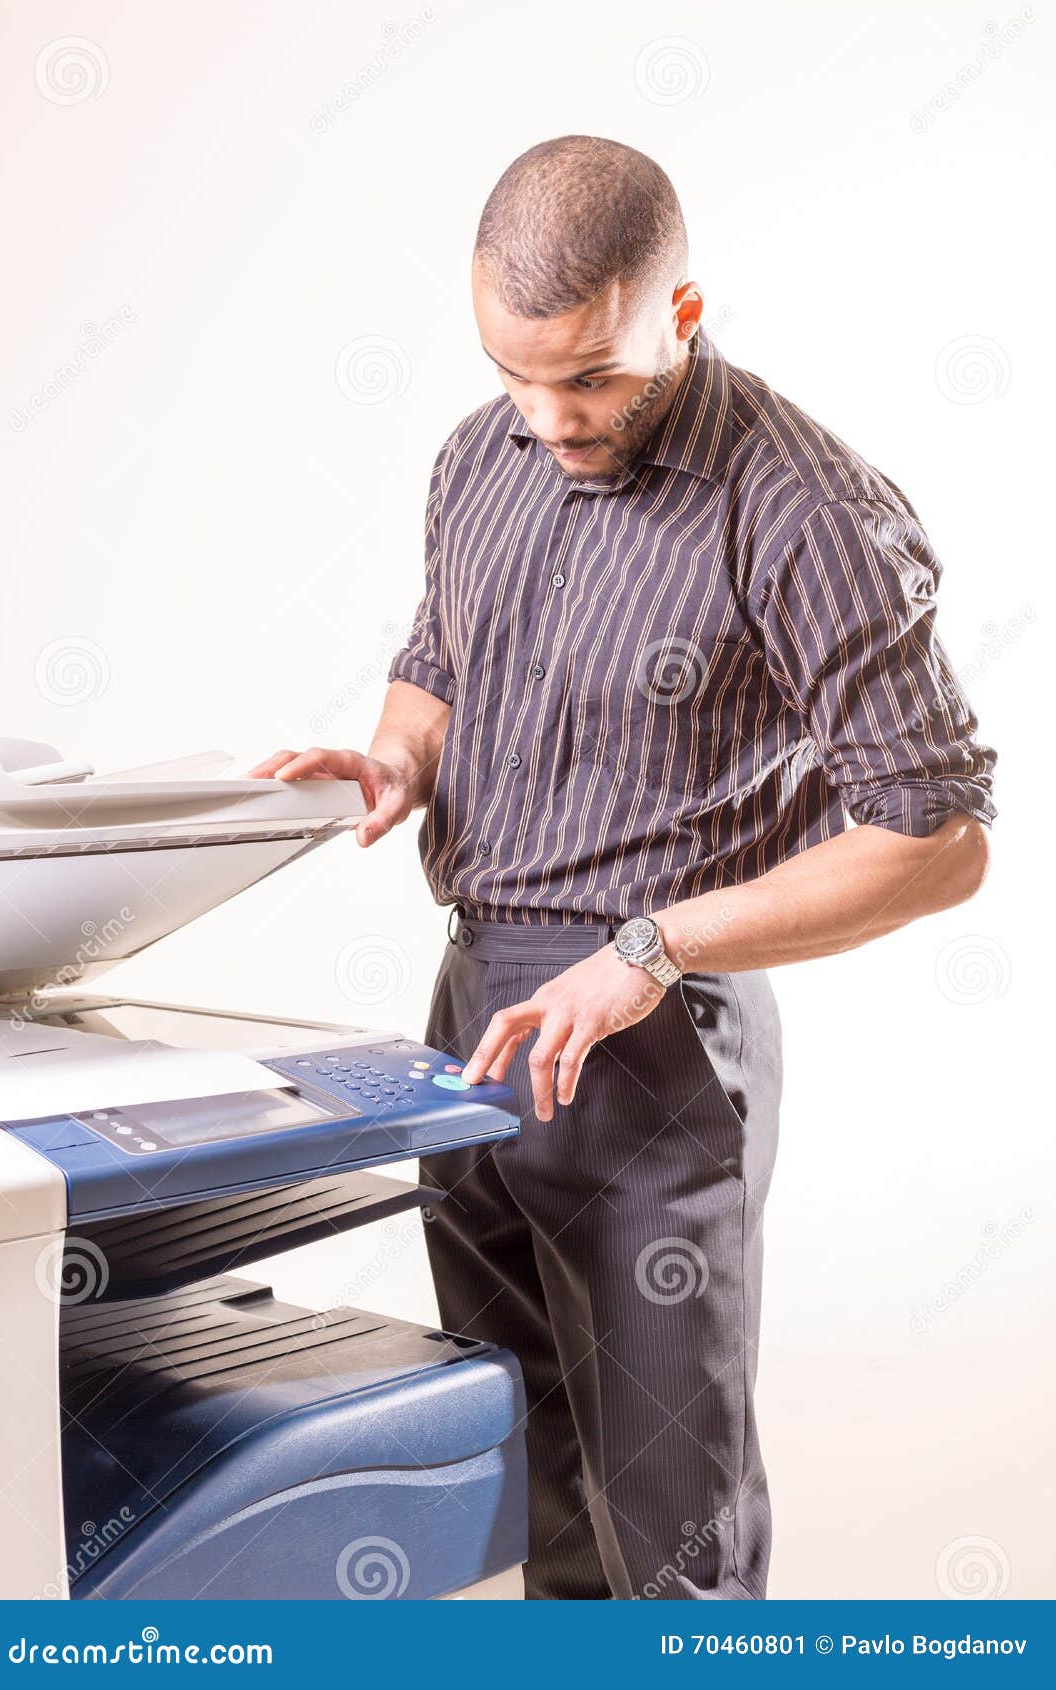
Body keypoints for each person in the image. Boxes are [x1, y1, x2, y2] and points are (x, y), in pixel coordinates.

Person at [251, 135, 995, 1600]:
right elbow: (439, 660)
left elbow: (938, 836)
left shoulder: (806, 511)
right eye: (518, 375)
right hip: (475, 1018)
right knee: (530, 1492)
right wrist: (399, 759)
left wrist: (652, 948)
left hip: (661, 1041)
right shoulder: (483, 450)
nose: (551, 418)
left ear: (685, 314)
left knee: (678, 1537)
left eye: (590, 378)